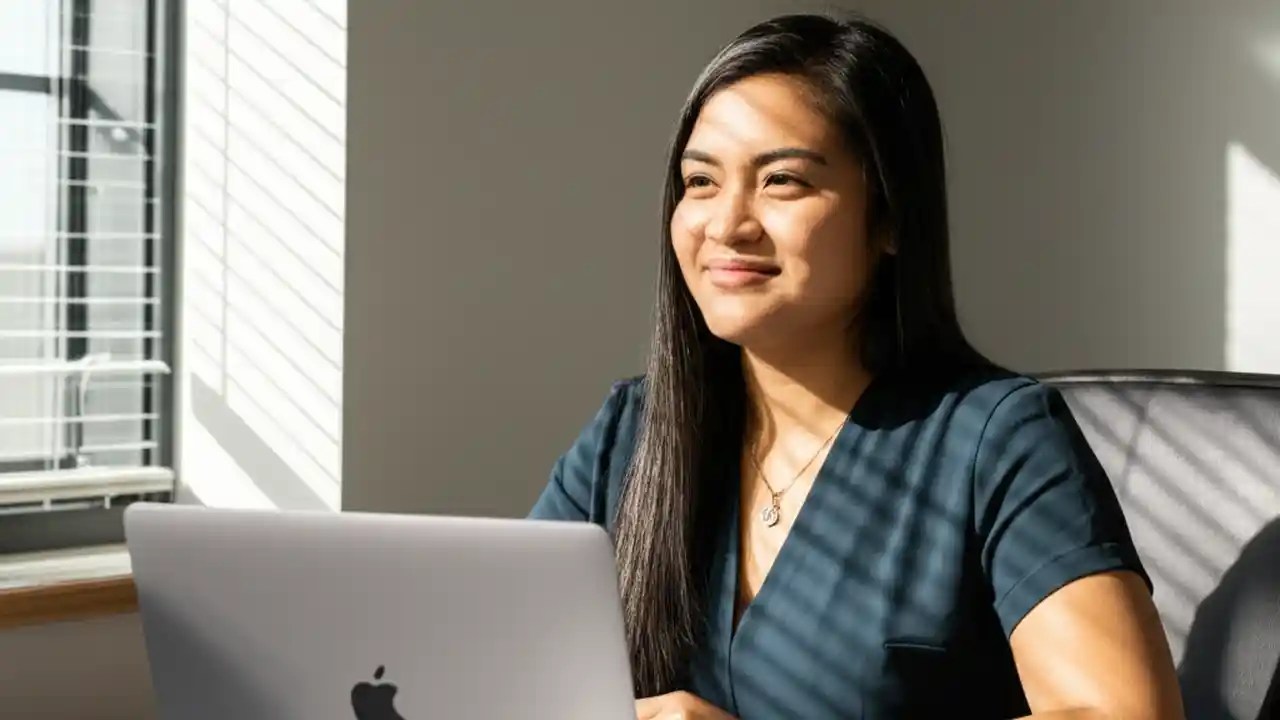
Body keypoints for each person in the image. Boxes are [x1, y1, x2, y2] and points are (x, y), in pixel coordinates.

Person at [529, 12, 1185, 720]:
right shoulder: (629, 436)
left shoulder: (997, 440)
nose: (726, 225)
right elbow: (489, 663)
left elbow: (1122, 714)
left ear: (891, 218)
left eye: (782, 181)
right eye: (700, 182)